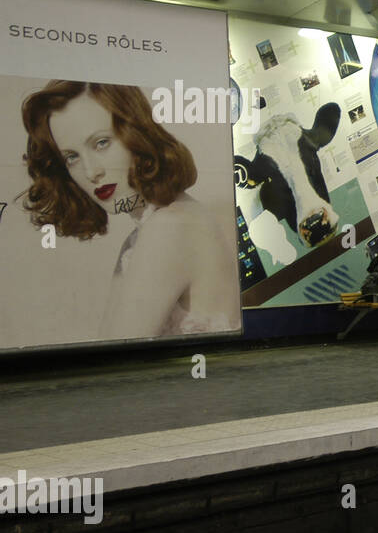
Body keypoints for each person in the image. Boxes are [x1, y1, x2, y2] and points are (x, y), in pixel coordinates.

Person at [21, 79, 239, 339]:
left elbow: (111, 359)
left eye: (101, 143)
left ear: (136, 134)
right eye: (72, 157)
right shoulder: (149, 230)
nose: (91, 172)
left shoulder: (169, 227)